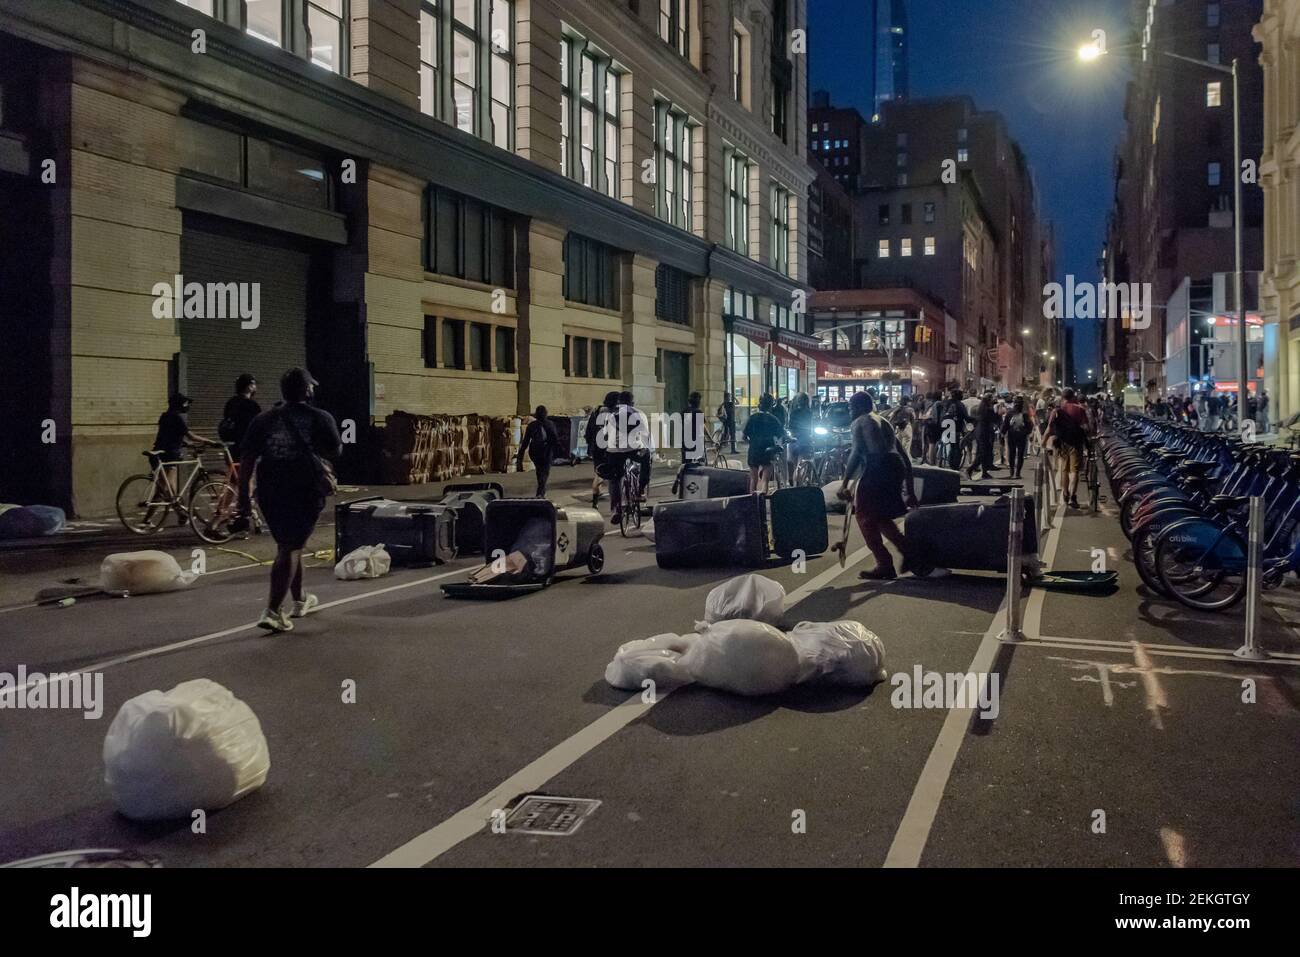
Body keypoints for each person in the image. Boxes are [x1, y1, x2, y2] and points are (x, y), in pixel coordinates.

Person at [238, 368, 341, 633]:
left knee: (290, 545)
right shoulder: (320, 417)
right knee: (290, 547)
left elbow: (247, 460)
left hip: (270, 490)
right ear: (307, 390)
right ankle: (272, 611)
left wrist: (244, 499)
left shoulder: (262, 419)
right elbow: (335, 449)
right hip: (304, 489)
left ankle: (300, 600)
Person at [836, 391, 922, 580]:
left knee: (864, 517)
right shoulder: (885, 423)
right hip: (894, 465)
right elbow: (904, 458)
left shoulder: (860, 421)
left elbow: (857, 452)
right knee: (880, 516)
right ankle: (909, 551)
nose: (850, 411)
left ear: (858, 407)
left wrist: (844, 484)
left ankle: (884, 564)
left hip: (879, 466)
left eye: (851, 407)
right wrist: (909, 489)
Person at [152, 393, 221, 522]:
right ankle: (147, 519)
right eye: (185, 403)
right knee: (163, 489)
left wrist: (185, 444)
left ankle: (181, 514)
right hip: (169, 455)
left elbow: (169, 436)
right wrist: (211, 442)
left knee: (171, 490)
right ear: (179, 404)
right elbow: (191, 436)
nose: (187, 406)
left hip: (159, 453)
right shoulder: (177, 418)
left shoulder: (164, 416)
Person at [1047, 388, 1090, 509]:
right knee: (1075, 471)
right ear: (1073, 397)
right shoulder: (1080, 409)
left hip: (1062, 443)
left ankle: (1065, 493)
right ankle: (1073, 496)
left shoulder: (1058, 410)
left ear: (1063, 397)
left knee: (1064, 469)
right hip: (1076, 443)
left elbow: (1050, 426)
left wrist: (1045, 441)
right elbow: (1086, 427)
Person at [743, 393, 785, 492]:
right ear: (771, 405)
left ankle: (752, 500)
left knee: (753, 478)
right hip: (767, 451)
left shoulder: (752, 418)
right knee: (765, 480)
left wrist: (752, 442)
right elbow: (780, 435)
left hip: (754, 450)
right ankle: (763, 498)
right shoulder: (774, 420)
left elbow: (744, 436)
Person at [586, 390, 620, 508]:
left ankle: (595, 501)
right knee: (615, 475)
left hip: (597, 448)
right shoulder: (616, 413)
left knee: (599, 473)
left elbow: (588, 432)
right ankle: (615, 503)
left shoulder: (596, 412)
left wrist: (590, 447)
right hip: (611, 448)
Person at [518, 406, 560, 497]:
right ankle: (540, 491)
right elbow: (555, 440)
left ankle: (541, 491)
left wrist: (519, 458)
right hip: (546, 452)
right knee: (545, 472)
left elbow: (525, 442)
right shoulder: (550, 424)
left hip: (535, 452)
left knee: (540, 471)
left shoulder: (531, 426)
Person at [219, 374, 262, 460]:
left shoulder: (231, 402)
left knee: (235, 472)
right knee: (243, 472)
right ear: (249, 387)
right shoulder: (251, 405)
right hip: (245, 447)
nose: (255, 387)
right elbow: (258, 426)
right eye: (254, 385)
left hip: (231, 447)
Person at [786, 392, 814, 482]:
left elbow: (790, 426)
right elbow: (812, 426)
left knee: (790, 460)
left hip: (794, 439)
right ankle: (803, 477)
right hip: (806, 439)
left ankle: (790, 477)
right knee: (804, 460)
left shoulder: (794, 412)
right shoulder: (810, 413)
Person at [971, 393, 998, 481]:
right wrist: (997, 410)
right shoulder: (987, 409)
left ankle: (984, 472)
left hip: (980, 431)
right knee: (983, 453)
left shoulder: (981, 408)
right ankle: (970, 469)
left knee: (983, 452)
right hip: (984, 432)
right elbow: (994, 418)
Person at [1003, 396, 1030, 479]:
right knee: (1020, 454)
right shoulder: (1025, 414)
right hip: (1021, 436)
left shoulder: (1010, 413)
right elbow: (1029, 426)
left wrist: (1002, 433)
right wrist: (1026, 433)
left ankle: (1012, 472)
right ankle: (1017, 473)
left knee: (1012, 453)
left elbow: (1005, 425)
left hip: (1012, 435)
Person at [889, 395, 916, 463]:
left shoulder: (897, 409)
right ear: (907, 402)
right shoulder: (910, 409)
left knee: (899, 447)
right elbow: (913, 419)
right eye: (909, 401)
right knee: (906, 447)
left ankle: (899, 461)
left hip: (898, 429)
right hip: (907, 427)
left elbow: (890, 417)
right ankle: (907, 462)